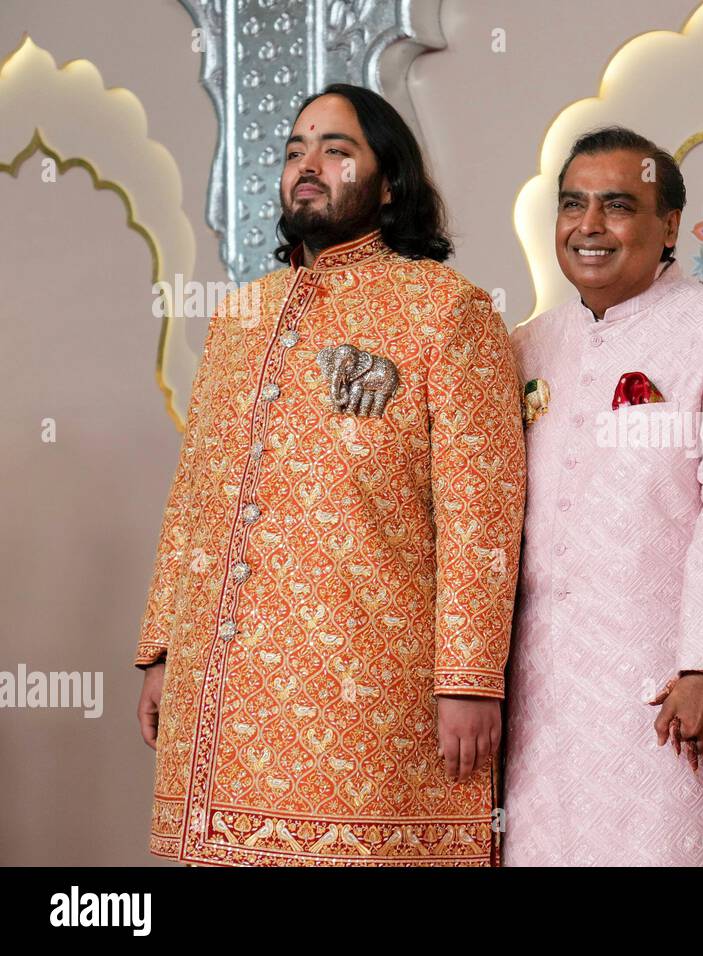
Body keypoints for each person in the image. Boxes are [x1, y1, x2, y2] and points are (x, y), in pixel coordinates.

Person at [134, 83, 525, 866]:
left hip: (371, 681)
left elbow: (482, 510)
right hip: (222, 677)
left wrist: (472, 678)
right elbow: (195, 496)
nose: (308, 166)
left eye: (337, 150)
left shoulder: (449, 311)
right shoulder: (239, 316)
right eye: (294, 151)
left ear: (389, 184)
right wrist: (161, 649)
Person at [503, 127, 703, 866]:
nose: (588, 226)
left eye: (617, 206)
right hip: (537, 688)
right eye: (572, 205)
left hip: (660, 684)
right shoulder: (523, 347)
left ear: (671, 225)